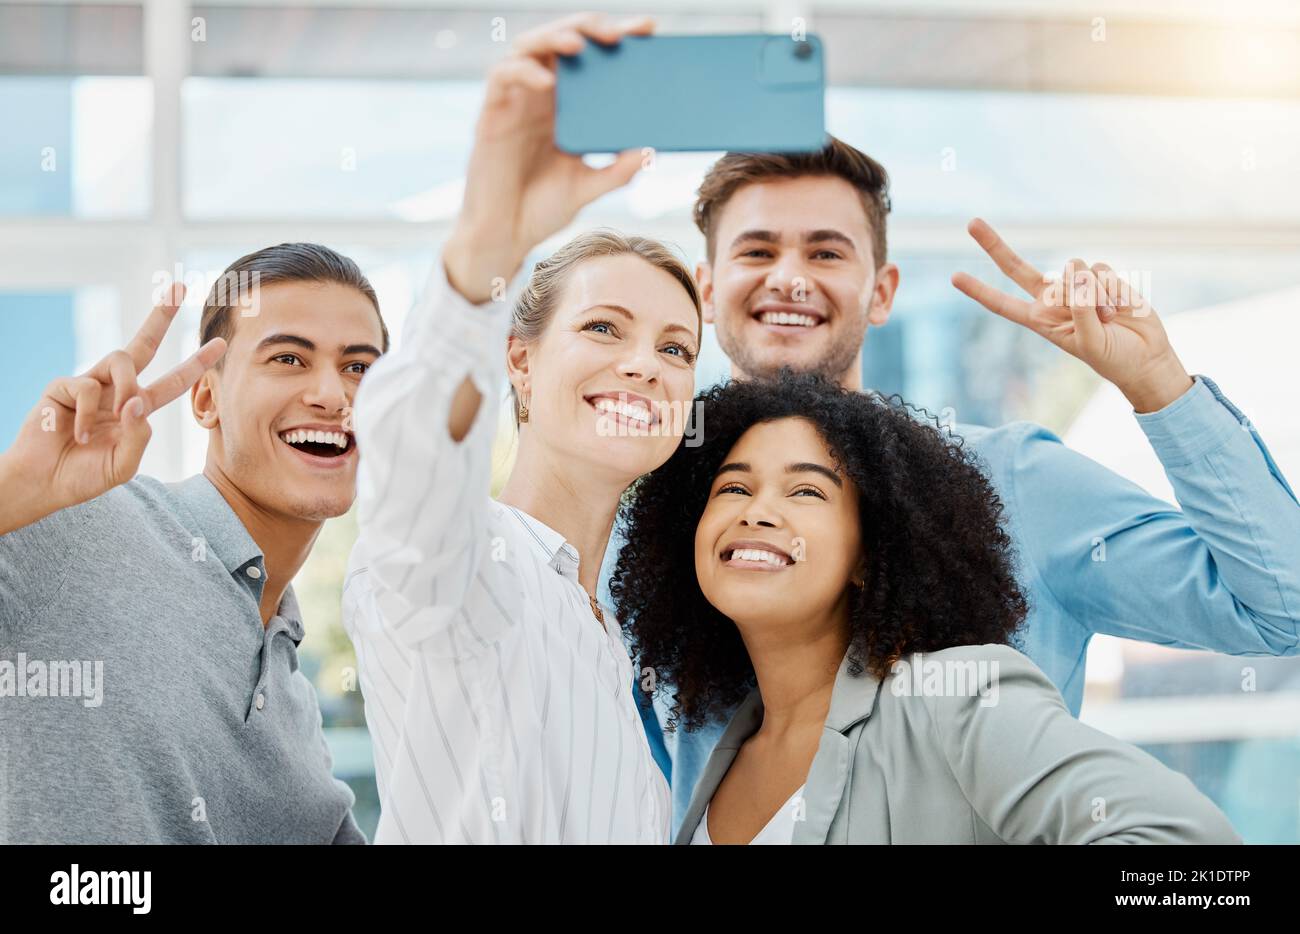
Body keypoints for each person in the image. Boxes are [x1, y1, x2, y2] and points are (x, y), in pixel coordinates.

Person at [615, 138, 1300, 833]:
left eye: (826, 252)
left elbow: (1285, 605)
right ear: (706, 287)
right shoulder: (670, 524)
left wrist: (1157, 384)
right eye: (757, 251)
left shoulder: (1015, 483)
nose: (789, 278)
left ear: (882, 292)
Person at [341, 13, 701, 843]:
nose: (645, 365)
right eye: (604, 329)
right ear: (521, 362)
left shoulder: (616, 638)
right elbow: (419, 456)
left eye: (675, 348)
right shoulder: (465, 567)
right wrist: (484, 250)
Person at [611, 370, 1242, 844]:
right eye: (734, 487)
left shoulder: (954, 701)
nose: (756, 509)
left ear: (870, 553)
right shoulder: (718, 746)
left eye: (806, 489)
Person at [0, 243, 385, 843]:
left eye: (360, 367)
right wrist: (16, 493)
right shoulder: (77, 529)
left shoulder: (297, 705)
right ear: (206, 400)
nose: (334, 395)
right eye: (288, 358)